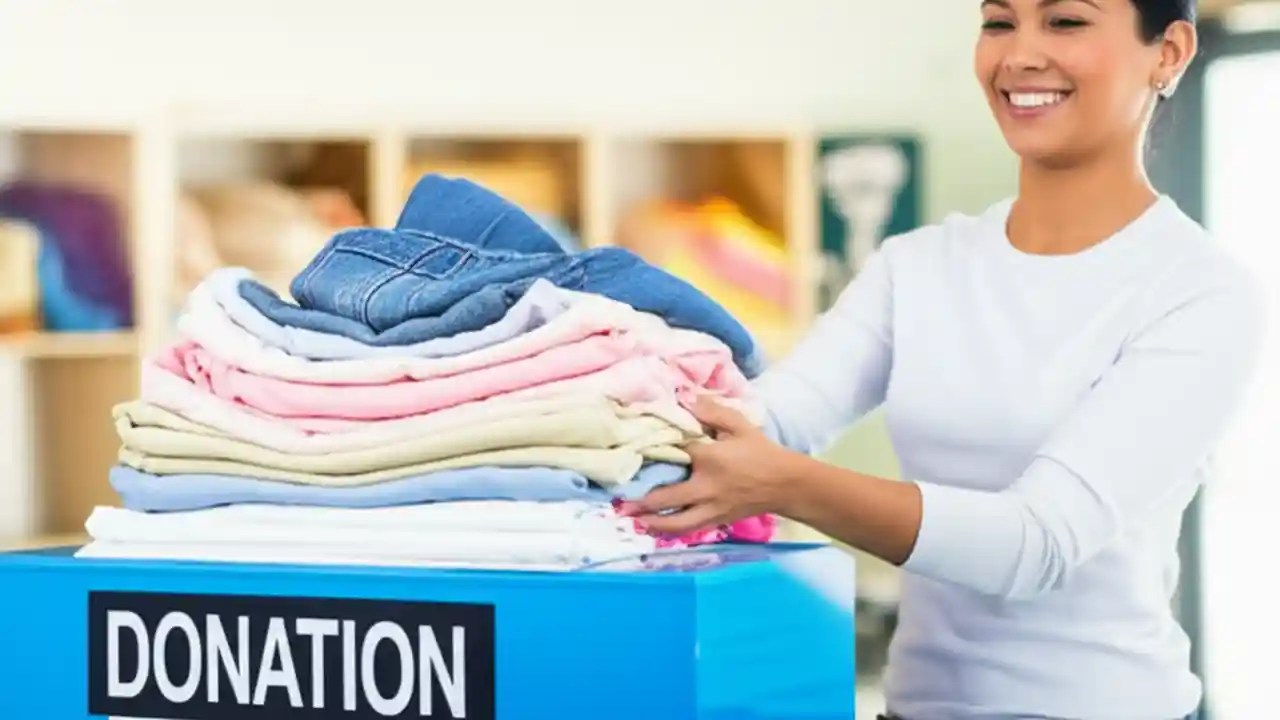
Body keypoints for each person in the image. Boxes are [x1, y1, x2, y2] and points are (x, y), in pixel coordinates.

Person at [625, 1, 1266, 718]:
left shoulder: (1198, 292)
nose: (1019, 54)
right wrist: (637, 410)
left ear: (1170, 51)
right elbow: (775, 419)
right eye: (999, 22)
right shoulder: (920, 266)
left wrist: (781, 483)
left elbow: (1035, 543)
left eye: (1065, 22)